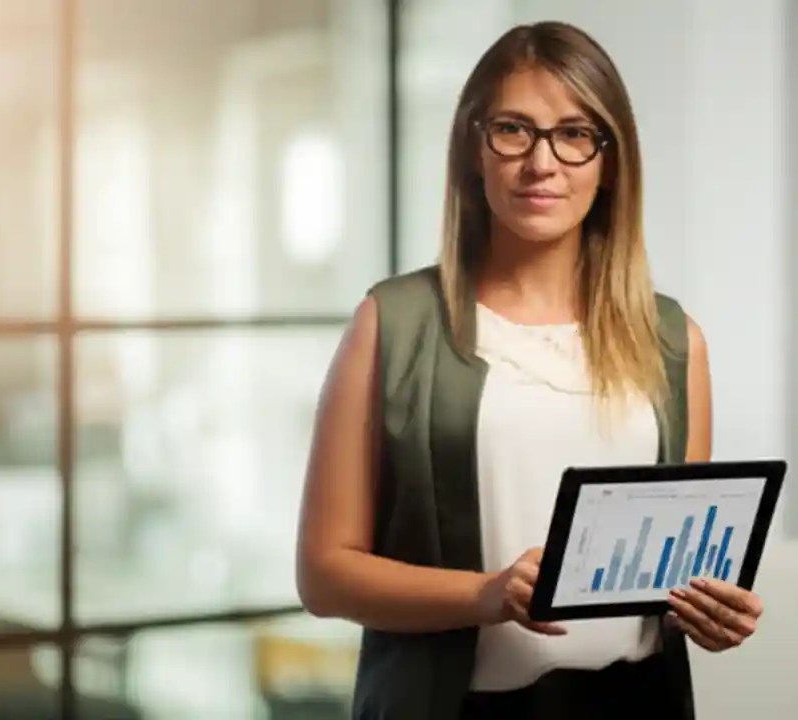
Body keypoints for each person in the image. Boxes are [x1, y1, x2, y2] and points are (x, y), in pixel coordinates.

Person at [295, 20, 764, 720]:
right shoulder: (392, 323)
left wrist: (707, 613)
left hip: (635, 705)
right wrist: (485, 595)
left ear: (610, 162)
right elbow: (324, 575)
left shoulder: (672, 340)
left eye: (576, 134)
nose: (542, 162)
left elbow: (671, 581)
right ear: (472, 150)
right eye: (514, 129)